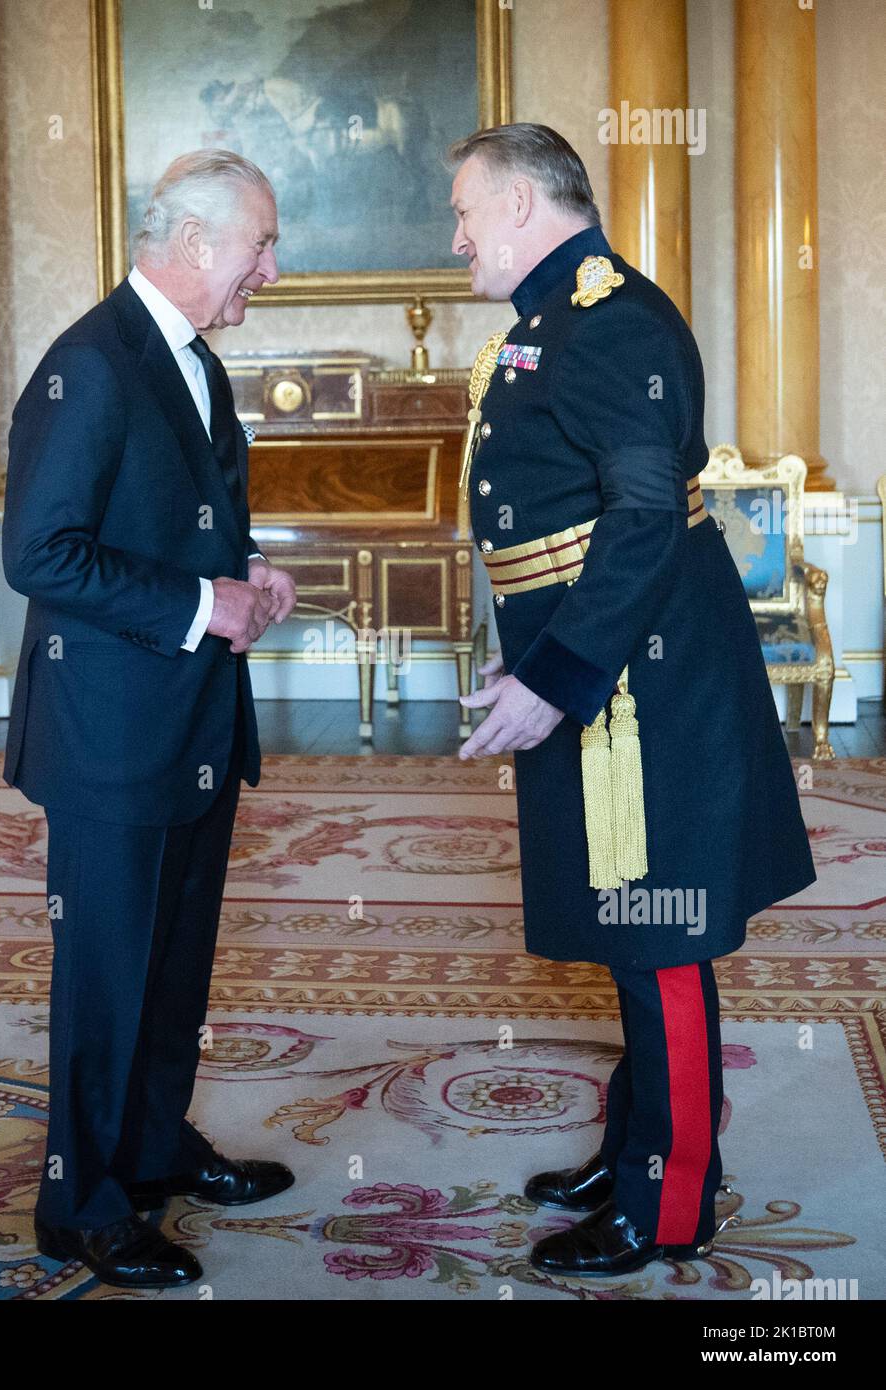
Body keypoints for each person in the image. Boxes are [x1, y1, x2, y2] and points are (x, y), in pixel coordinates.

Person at [448, 124, 817, 1277]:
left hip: (639, 685)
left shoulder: (608, 324)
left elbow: (644, 520)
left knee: (660, 939)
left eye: (464, 213)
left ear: (518, 205)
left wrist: (552, 678)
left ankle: (668, 1202)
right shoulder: (558, 318)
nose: (454, 237)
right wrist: (531, 664)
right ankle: (631, 1144)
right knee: (627, 924)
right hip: (607, 669)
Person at [2, 150, 298, 1288]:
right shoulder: (89, 364)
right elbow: (40, 551)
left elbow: (180, 521)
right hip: (111, 736)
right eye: (259, 245)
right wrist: (197, 604)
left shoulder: (188, 361)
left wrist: (247, 573)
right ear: (192, 244)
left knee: (173, 965)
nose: (270, 267)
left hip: (189, 725)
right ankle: (81, 1204)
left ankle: (153, 1147)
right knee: (107, 973)